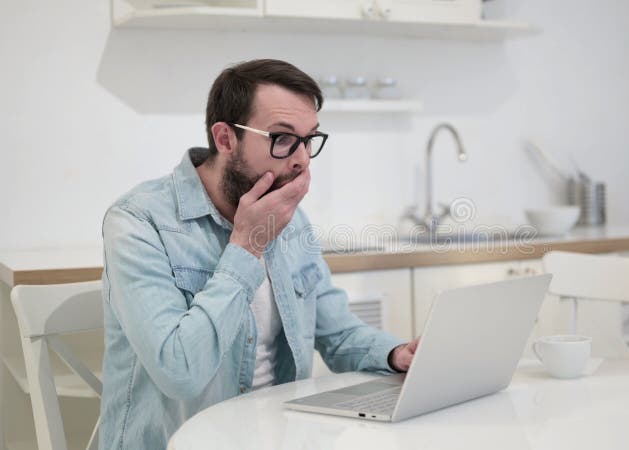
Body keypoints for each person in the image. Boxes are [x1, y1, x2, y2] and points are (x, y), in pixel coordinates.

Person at [99, 59, 418, 449]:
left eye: (309, 139)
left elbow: (337, 332)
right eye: (282, 139)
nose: (300, 159)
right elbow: (179, 372)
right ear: (225, 138)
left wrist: (396, 353)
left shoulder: (291, 221)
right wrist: (247, 246)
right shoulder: (138, 221)